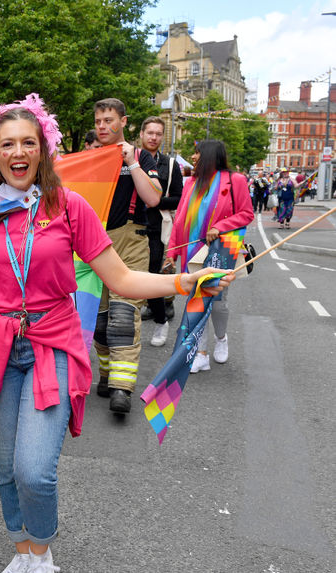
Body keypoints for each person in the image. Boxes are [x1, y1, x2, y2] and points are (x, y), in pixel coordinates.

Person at [0, 94, 231, 573]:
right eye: (7, 144)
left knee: (35, 470)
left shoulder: (69, 207)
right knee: (6, 469)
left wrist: (184, 280)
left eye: (29, 141)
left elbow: (120, 278)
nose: (19, 151)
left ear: (44, 148)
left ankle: (44, 553)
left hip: (53, 344)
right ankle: (22, 553)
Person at [92, 98, 161, 414]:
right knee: (100, 319)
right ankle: (106, 375)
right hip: (95, 245)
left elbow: (153, 197)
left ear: (123, 122)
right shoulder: (92, 157)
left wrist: (132, 161)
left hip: (131, 243)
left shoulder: (142, 155)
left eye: (109, 120)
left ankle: (123, 388)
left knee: (123, 316)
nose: (103, 126)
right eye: (99, 121)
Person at [164, 139, 253, 373]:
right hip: (192, 252)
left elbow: (246, 213)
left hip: (220, 250)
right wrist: (173, 251)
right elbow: (180, 219)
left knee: (218, 301)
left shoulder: (236, 181)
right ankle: (200, 353)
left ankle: (221, 338)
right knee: (196, 300)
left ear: (210, 156)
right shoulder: (191, 183)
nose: (193, 157)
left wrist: (221, 226)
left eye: (197, 153)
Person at [138, 116, 183, 347]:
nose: (154, 137)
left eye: (158, 134)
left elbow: (178, 198)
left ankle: (161, 320)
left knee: (150, 276)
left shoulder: (171, 165)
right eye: (150, 133)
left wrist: (155, 201)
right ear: (141, 134)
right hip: (128, 227)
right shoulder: (129, 159)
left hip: (155, 229)